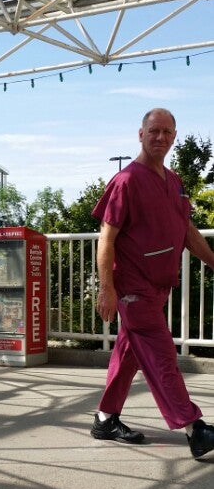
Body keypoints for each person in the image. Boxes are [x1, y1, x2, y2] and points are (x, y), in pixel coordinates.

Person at [90, 107, 214, 459]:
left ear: (174, 137)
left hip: (158, 286)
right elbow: (106, 239)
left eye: (167, 132)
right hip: (133, 288)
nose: (160, 137)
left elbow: (186, 230)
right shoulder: (126, 181)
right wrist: (106, 288)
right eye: (154, 130)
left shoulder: (174, 182)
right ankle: (194, 428)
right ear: (140, 134)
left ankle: (105, 418)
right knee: (162, 356)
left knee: (129, 353)